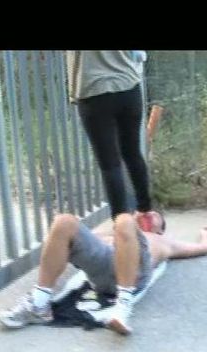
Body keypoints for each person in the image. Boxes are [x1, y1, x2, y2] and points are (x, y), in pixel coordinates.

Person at [0, 211, 207, 335]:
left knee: (124, 219)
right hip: (102, 272)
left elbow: (202, 248)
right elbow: (80, 239)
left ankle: (122, 307)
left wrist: (204, 234)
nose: (147, 214)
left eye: (154, 215)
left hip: (135, 274)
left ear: (160, 229)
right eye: (144, 212)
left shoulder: (161, 240)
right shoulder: (117, 231)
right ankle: (39, 304)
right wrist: (118, 229)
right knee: (64, 221)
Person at [67, 50, 156, 232]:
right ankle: (146, 214)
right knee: (132, 154)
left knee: (110, 164)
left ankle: (122, 227)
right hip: (129, 87)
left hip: (95, 92)